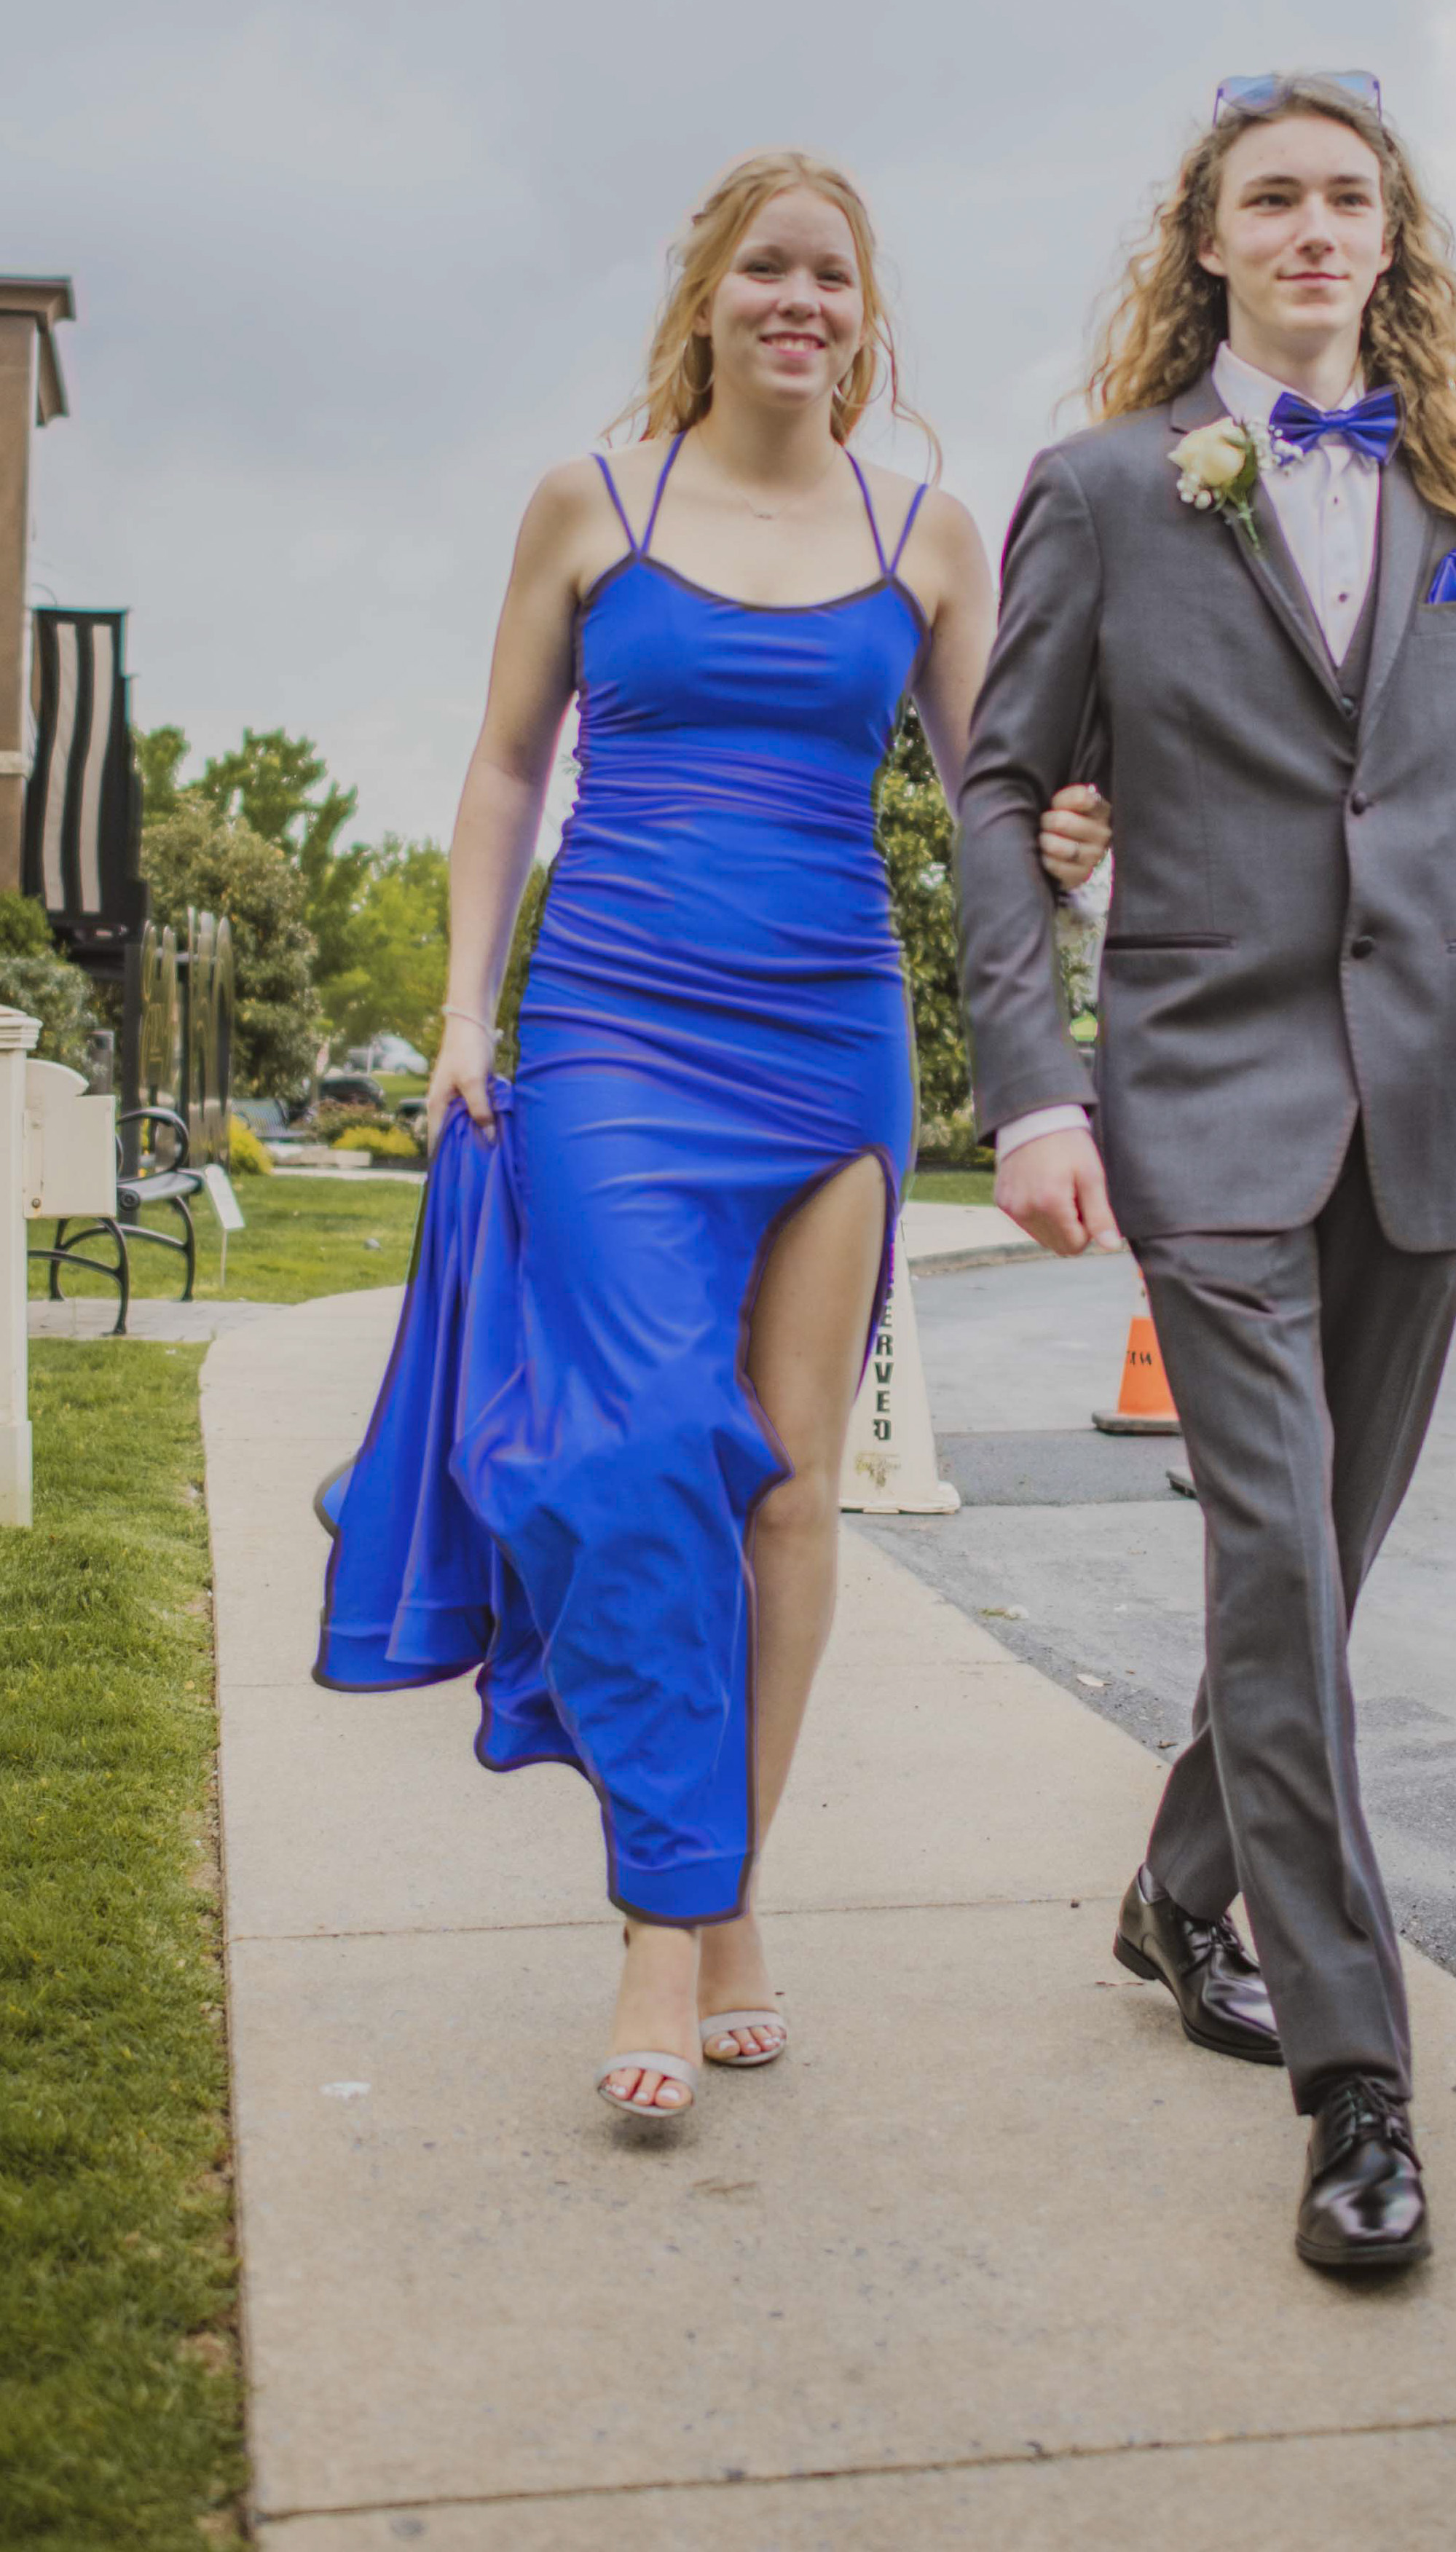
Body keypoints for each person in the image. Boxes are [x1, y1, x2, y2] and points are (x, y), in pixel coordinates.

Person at [954, 74, 1456, 2269]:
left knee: (1321, 1570)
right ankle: (1357, 2078)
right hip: (1201, 1099)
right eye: (1267, 197)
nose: (1308, 228)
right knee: (1274, 1561)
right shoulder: (1104, 488)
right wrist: (1034, 1084)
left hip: (1430, 1103)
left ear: (1389, 237)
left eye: (1344, 197)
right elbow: (1002, 790)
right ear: (1207, 240)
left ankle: (1179, 1887)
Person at [313, 150, 1109, 2127]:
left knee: (793, 1492)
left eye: (831, 275)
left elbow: (993, 800)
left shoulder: (928, 534)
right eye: (767, 267)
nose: (799, 300)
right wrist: (464, 1010)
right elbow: (505, 764)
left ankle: (717, 1896)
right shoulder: (595, 504)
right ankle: (665, 1913)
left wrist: (1073, 843)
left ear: (864, 313)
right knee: (638, 1447)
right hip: (611, 1029)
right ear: (707, 294)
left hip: (830, 1040)